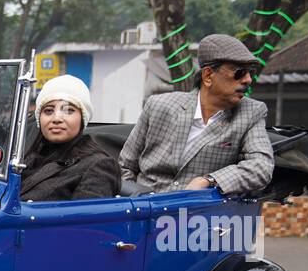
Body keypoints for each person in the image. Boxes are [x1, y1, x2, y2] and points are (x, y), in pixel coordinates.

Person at [119, 34, 273, 195]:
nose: (248, 80)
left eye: (251, 72)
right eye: (239, 72)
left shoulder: (251, 112)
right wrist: (131, 204)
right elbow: (125, 166)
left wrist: (208, 180)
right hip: (144, 207)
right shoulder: (158, 106)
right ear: (207, 76)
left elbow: (261, 167)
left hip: (199, 214)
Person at [19, 74, 120, 202]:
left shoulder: (99, 165)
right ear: (39, 118)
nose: (56, 118)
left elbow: (84, 219)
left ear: (82, 118)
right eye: (49, 111)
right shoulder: (27, 155)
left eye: (69, 111)